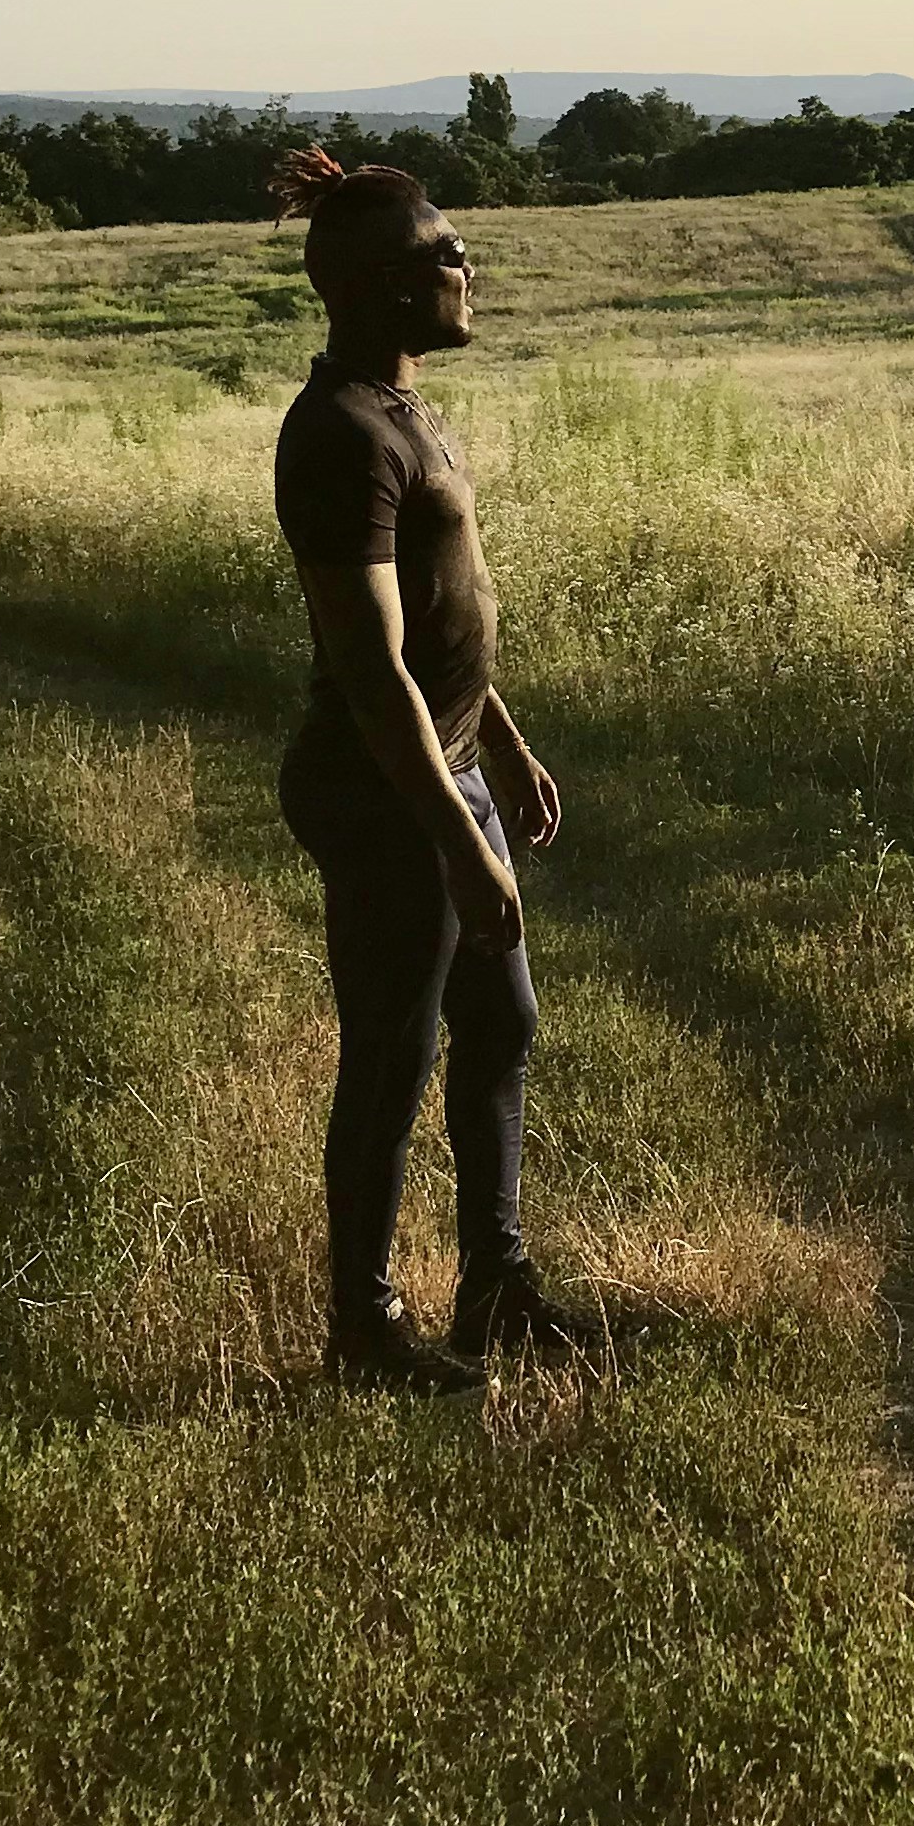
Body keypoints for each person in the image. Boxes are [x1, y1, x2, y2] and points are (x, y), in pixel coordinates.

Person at [266, 146, 593, 1390]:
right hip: (381, 787)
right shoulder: (341, 435)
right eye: (450, 253)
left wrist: (503, 744)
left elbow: (441, 624)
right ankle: (363, 1330)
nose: (471, 268)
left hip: (447, 768)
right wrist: (455, 835)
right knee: (391, 1058)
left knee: (500, 1024)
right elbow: (370, 668)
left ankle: (495, 1291)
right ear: (387, 285)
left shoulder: (401, 408)